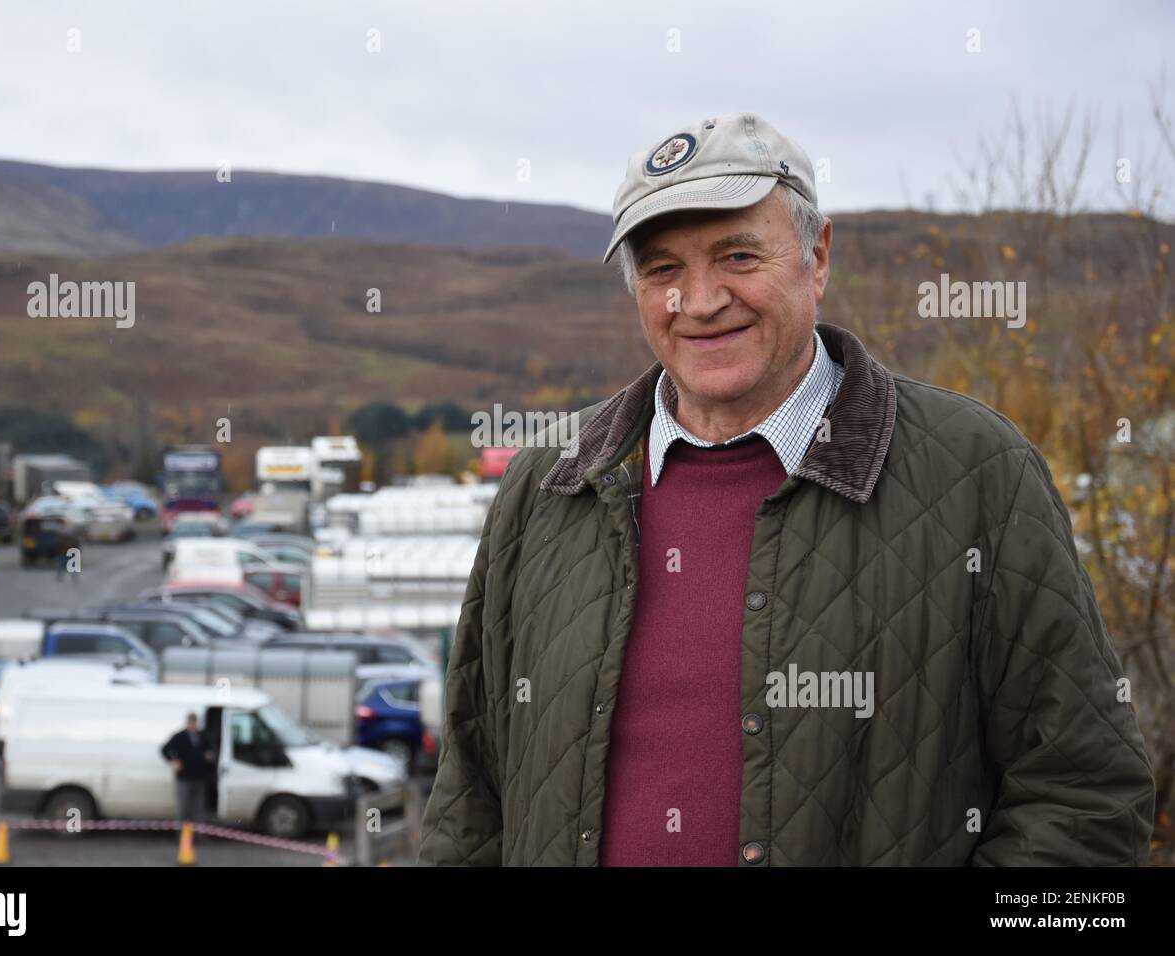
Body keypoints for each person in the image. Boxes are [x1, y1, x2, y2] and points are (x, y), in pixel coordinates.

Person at [418, 112, 1155, 866]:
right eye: (663, 269)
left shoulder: (977, 474)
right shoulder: (549, 483)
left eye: (737, 255)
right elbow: (471, 795)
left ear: (818, 256)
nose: (700, 301)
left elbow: (1086, 795)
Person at [161, 713, 214, 824]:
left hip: (200, 777)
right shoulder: (179, 736)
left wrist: (209, 756)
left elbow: (210, 752)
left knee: (198, 808)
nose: (192, 725)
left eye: (194, 723)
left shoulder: (203, 736)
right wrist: (173, 761)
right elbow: (164, 749)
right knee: (183, 808)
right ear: (187, 723)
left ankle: (198, 835)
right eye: (190, 723)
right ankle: (183, 837)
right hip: (184, 778)